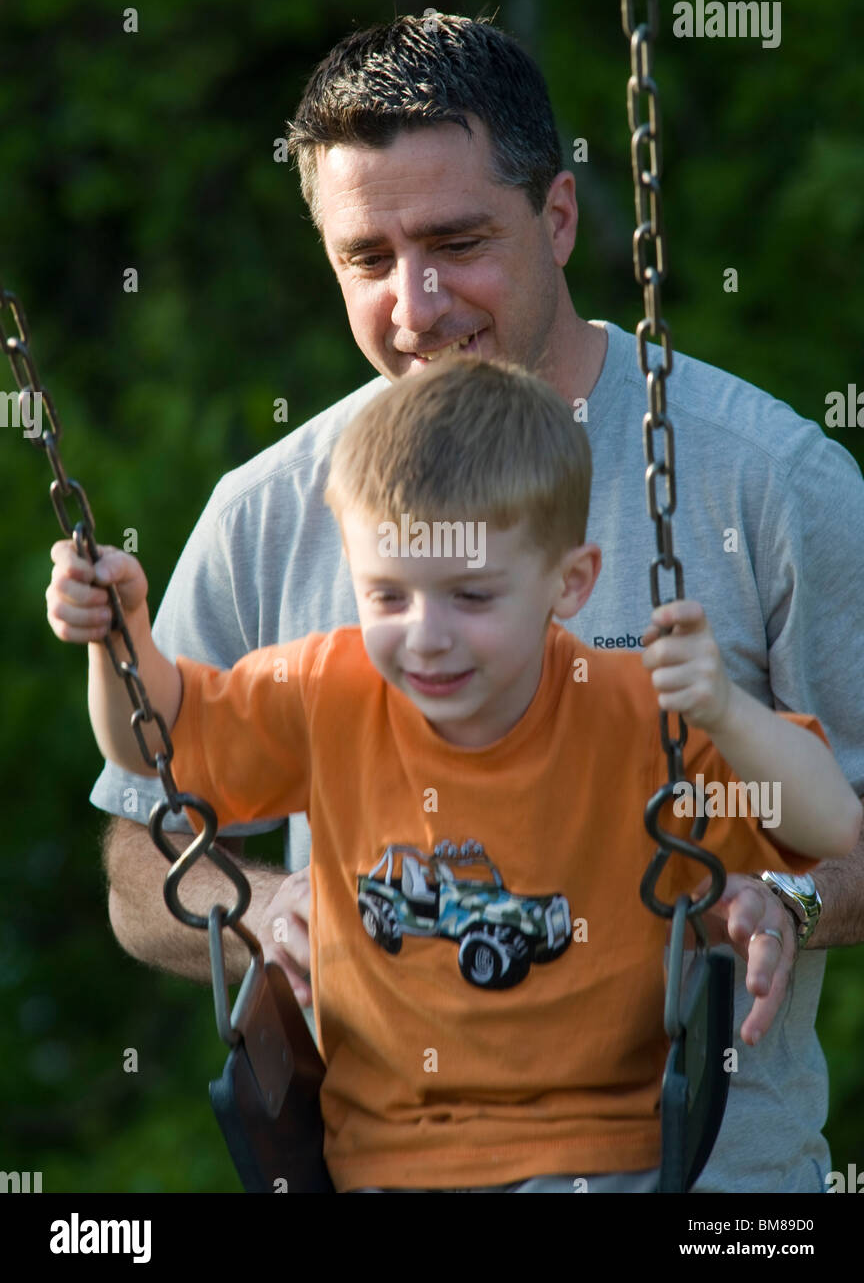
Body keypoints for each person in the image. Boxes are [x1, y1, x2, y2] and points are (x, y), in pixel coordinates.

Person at [88, 14, 864, 1194]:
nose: (417, 302)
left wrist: (790, 899)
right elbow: (146, 852)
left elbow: (836, 817)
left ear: (558, 218)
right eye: (368, 258)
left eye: (458, 240)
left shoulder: (765, 481)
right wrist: (272, 904)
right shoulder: (267, 512)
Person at [46, 357, 862, 1193]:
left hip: (603, 1159)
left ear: (571, 581)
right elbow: (153, 746)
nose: (427, 636)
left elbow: (831, 824)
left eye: (471, 597)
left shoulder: (628, 710)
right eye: (388, 596)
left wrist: (726, 709)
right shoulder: (327, 690)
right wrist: (124, 641)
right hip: (382, 1162)